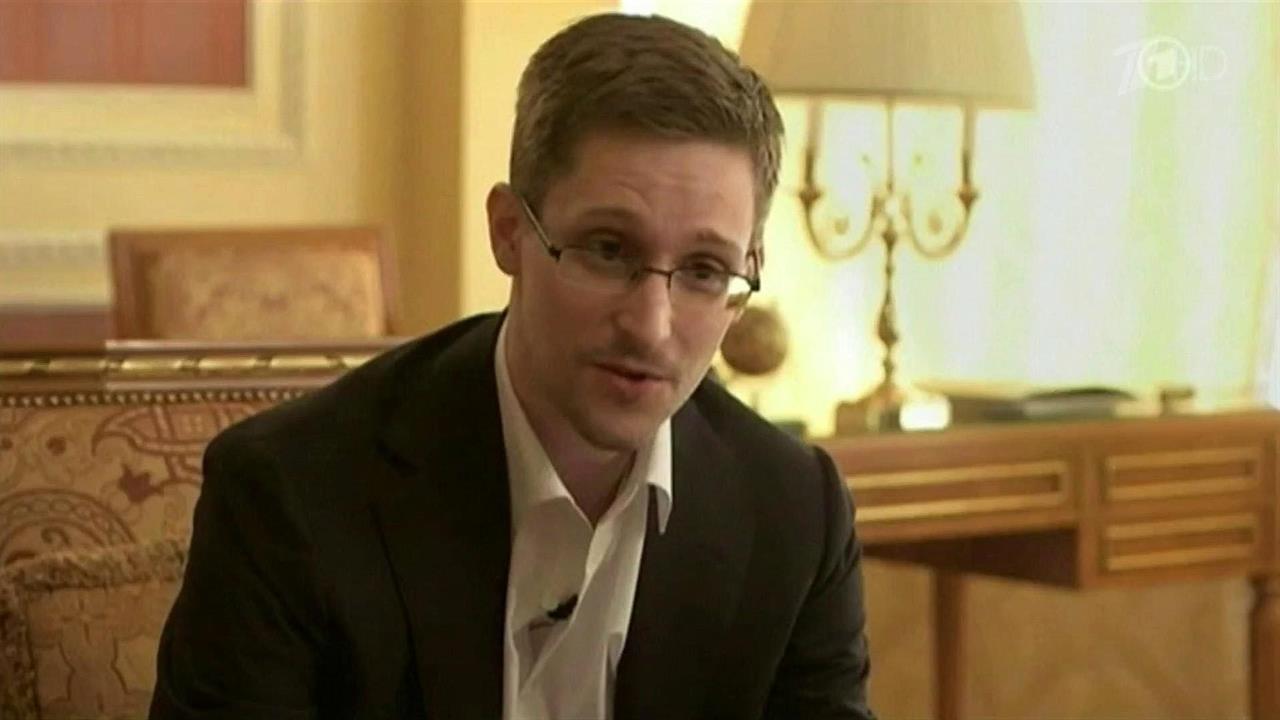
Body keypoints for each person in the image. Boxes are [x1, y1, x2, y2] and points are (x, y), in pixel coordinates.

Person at [151, 12, 874, 720]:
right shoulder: (290, 494)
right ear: (508, 232)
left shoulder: (795, 514)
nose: (651, 327)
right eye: (608, 250)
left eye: (705, 270)